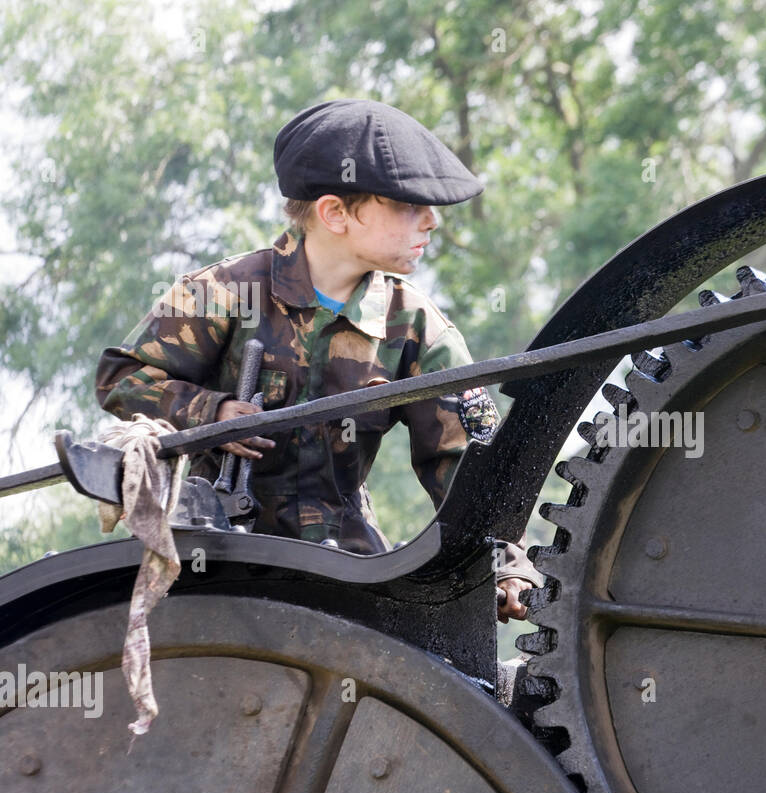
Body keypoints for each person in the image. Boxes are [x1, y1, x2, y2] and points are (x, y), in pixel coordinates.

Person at [95, 99, 541, 622]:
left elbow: (464, 462)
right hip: (215, 552)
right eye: (407, 205)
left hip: (350, 566)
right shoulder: (225, 291)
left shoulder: (416, 326)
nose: (431, 222)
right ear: (334, 213)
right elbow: (121, 377)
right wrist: (210, 414)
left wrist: (509, 564)